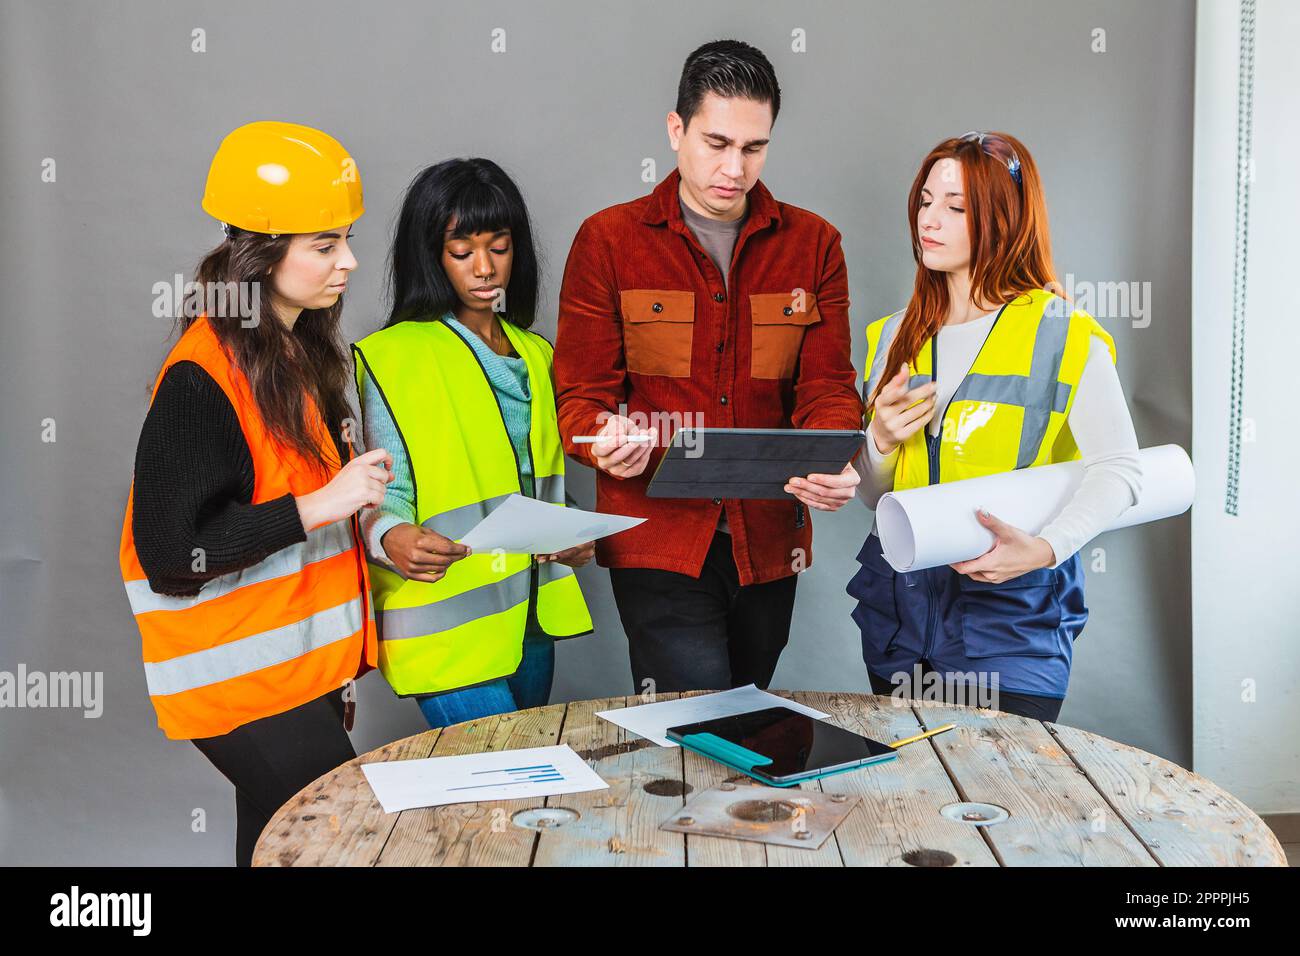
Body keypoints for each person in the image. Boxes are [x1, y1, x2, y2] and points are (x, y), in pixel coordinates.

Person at [555, 40, 863, 695]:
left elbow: (828, 387)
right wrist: (603, 441)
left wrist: (834, 456)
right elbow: (580, 401)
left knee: (747, 715)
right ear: (676, 130)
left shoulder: (814, 245)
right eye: (716, 142)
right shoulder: (609, 241)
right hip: (657, 539)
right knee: (697, 722)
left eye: (754, 148)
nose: (734, 167)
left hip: (769, 542)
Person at [119, 121, 386, 866]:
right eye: (325, 246)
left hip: (293, 675)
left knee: (279, 850)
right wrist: (321, 504)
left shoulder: (291, 356)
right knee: (339, 842)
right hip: (243, 687)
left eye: (347, 240)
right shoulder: (203, 377)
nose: (350, 262)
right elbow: (172, 552)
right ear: (262, 257)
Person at [849, 131, 1143, 721]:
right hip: (901, 618)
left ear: (1004, 220)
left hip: (1011, 622)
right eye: (926, 201)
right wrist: (879, 443)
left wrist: (1045, 548)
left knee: (1004, 802)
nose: (929, 220)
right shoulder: (892, 338)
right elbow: (874, 497)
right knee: (914, 800)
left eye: (955, 208)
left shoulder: (1062, 334)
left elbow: (1121, 470)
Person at [353, 158, 593, 729]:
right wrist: (390, 536)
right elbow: (380, 493)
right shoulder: (393, 357)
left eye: (499, 247)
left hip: (531, 616)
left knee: (521, 792)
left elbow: (535, 480)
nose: (484, 268)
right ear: (430, 255)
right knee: (504, 785)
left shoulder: (538, 355)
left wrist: (576, 533)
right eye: (462, 251)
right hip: (444, 621)